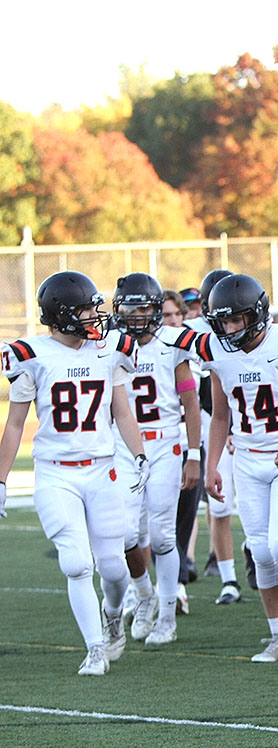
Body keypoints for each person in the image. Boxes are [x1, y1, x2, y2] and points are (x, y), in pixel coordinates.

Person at [0, 271, 150, 676]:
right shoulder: (30, 354)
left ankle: (113, 615)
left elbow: (123, 412)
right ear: (61, 314)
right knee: (77, 563)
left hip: (102, 470)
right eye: (85, 309)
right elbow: (15, 425)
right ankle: (95, 647)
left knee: (114, 568)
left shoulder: (110, 349)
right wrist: (1, 479)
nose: (94, 316)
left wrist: (139, 455)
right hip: (55, 474)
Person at [198, 273, 278, 662]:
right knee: (259, 550)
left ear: (255, 315)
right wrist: (211, 465)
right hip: (247, 459)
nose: (229, 329)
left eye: (236, 320)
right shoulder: (217, 351)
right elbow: (220, 416)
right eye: (223, 321)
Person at [110, 273, 202, 646]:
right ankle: (143, 592)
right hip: (123, 446)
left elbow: (191, 403)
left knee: (163, 535)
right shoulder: (109, 345)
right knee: (125, 533)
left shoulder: (173, 344)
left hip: (164, 443)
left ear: (155, 310)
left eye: (142, 309)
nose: (135, 316)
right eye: (128, 308)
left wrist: (193, 455)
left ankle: (166, 617)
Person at [188, 268, 245, 606]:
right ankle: (228, 579)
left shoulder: (258, 335)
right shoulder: (197, 336)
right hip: (217, 422)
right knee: (221, 508)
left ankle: (254, 550)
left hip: (255, 427)